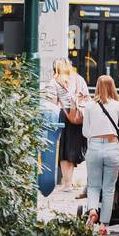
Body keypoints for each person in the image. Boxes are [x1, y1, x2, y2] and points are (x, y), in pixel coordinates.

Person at [82, 75, 119, 235]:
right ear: (112, 87)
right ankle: (104, 224)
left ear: (96, 87)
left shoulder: (89, 106)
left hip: (94, 147)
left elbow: (85, 132)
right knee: (109, 188)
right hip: (111, 147)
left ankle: (92, 210)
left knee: (93, 185)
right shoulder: (117, 106)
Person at [51, 59, 89, 190]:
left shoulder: (55, 81)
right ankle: (69, 181)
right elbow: (86, 97)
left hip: (65, 116)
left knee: (63, 150)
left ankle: (67, 183)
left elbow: (53, 102)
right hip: (78, 116)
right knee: (73, 149)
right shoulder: (79, 79)